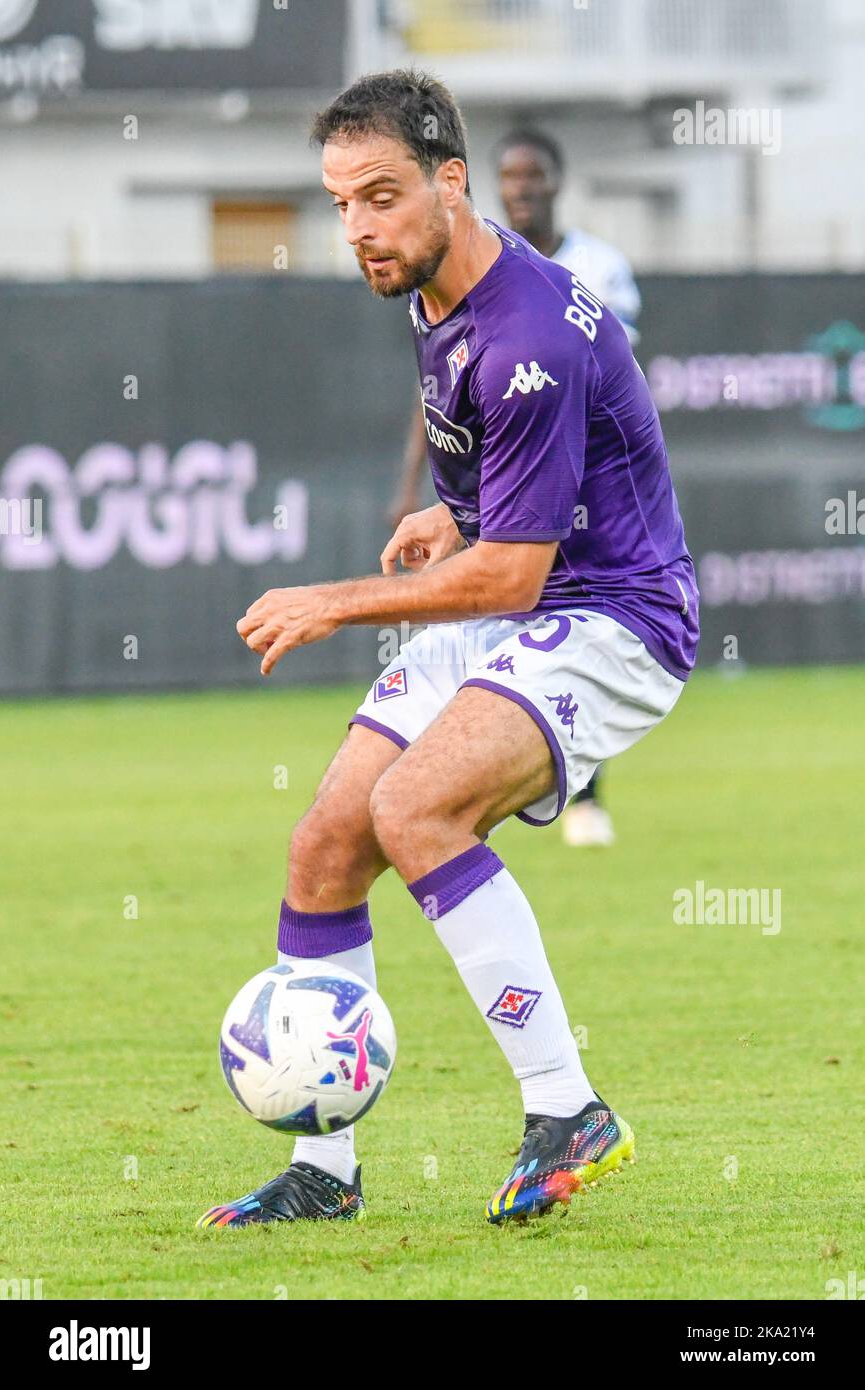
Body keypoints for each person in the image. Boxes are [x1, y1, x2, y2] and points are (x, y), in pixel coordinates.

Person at [197, 68, 698, 1230]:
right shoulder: (437, 296)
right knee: (324, 843)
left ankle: (564, 1106)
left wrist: (336, 600)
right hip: (521, 602)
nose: (358, 229)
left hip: (612, 619)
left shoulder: (525, 331)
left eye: (380, 197)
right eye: (339, 205)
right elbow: (506, 520)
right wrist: (454, 516)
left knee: (414, 808)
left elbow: (516, 574)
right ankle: (324, 1175)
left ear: (450, 183)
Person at [388, 127, 642, 849]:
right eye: (511, 176)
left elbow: (603, 373)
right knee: (495, 620)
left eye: (534, 176)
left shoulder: (598, 266)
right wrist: (416, 485)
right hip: (497, 473)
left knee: (577, 621)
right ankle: (470, 786)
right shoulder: (472, 264)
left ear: (559, 182)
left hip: (581, 468)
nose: (521, 188)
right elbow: (437, 395)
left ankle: (579, 791)